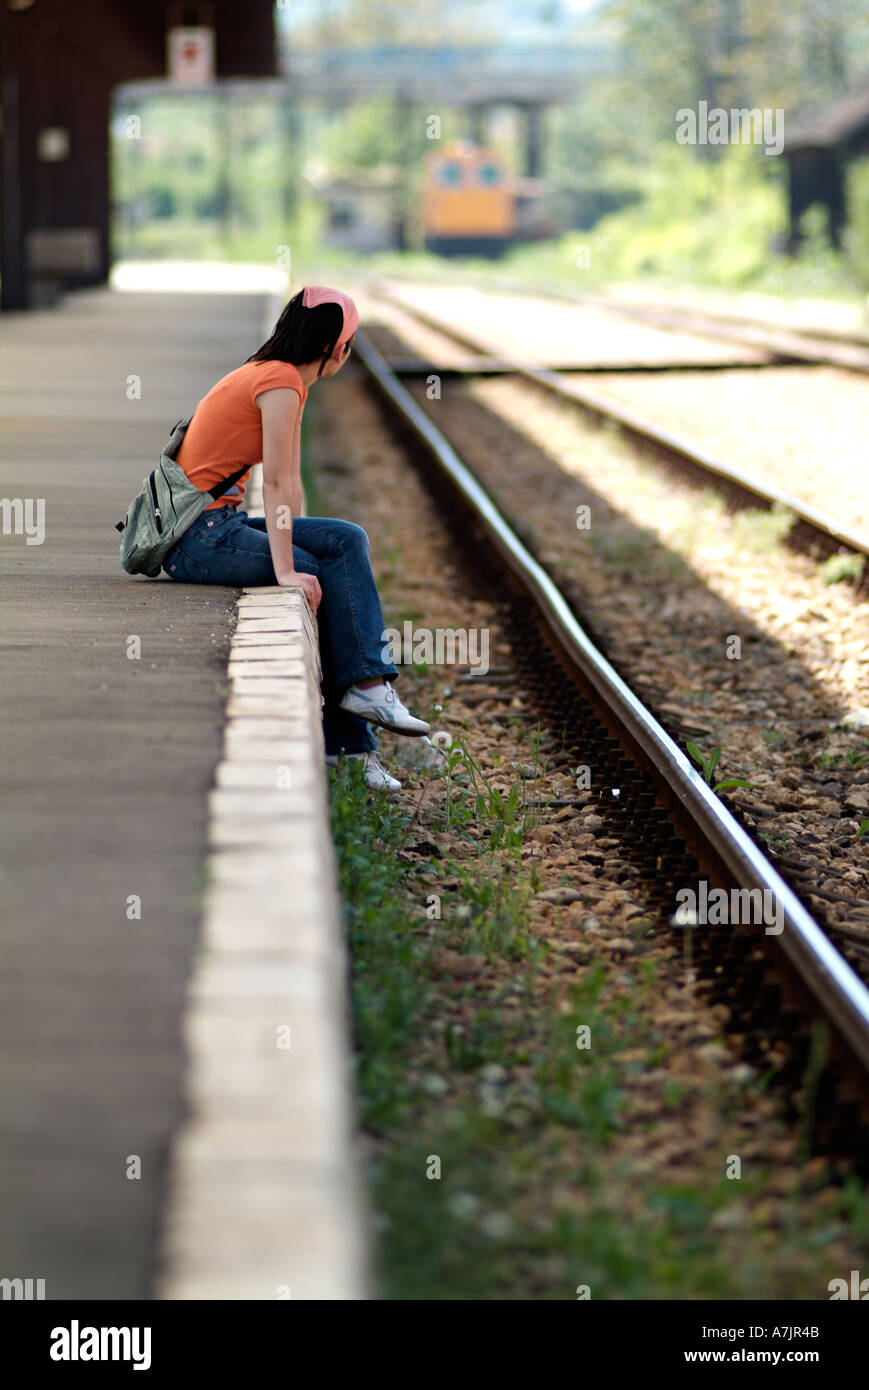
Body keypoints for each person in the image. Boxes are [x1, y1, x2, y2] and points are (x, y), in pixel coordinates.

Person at [162, 285, 429, 791]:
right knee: (320, 571)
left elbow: (293, 483)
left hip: (220, 526)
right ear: (337, 347)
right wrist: (287, 570)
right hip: (197, 540)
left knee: (344, 540)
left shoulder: (279, 376)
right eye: (348, 346)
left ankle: (365, 693)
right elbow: (278, 483)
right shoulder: (281, 382)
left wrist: (299, 551)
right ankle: (353, 738)